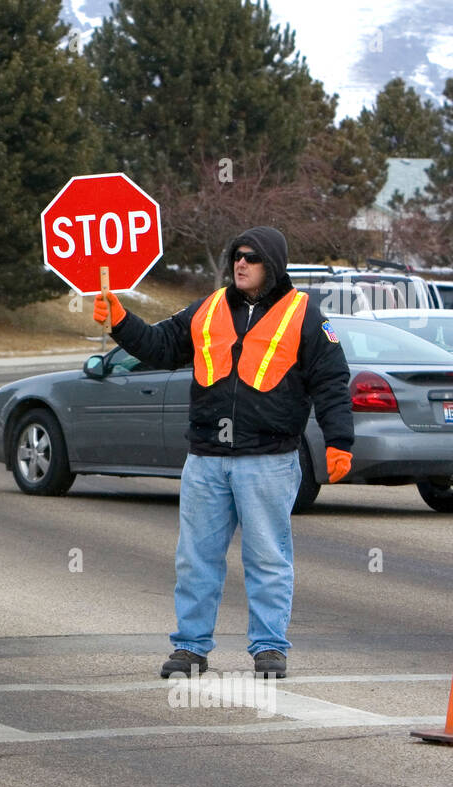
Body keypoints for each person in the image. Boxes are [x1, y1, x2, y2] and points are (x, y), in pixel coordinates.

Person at [94, 227, 354, 679]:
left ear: (272, 264)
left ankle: (270, 647)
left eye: (251, 257)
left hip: (269, 460)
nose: (241, 263)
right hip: (206, 459)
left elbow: (331, 382)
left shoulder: (304, 314)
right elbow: (159, 346)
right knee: (196, 558)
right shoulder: (207, 309)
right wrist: (122, 320)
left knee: (267, 558)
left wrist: (339, 441)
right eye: (236, 255)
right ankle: (190, 648)